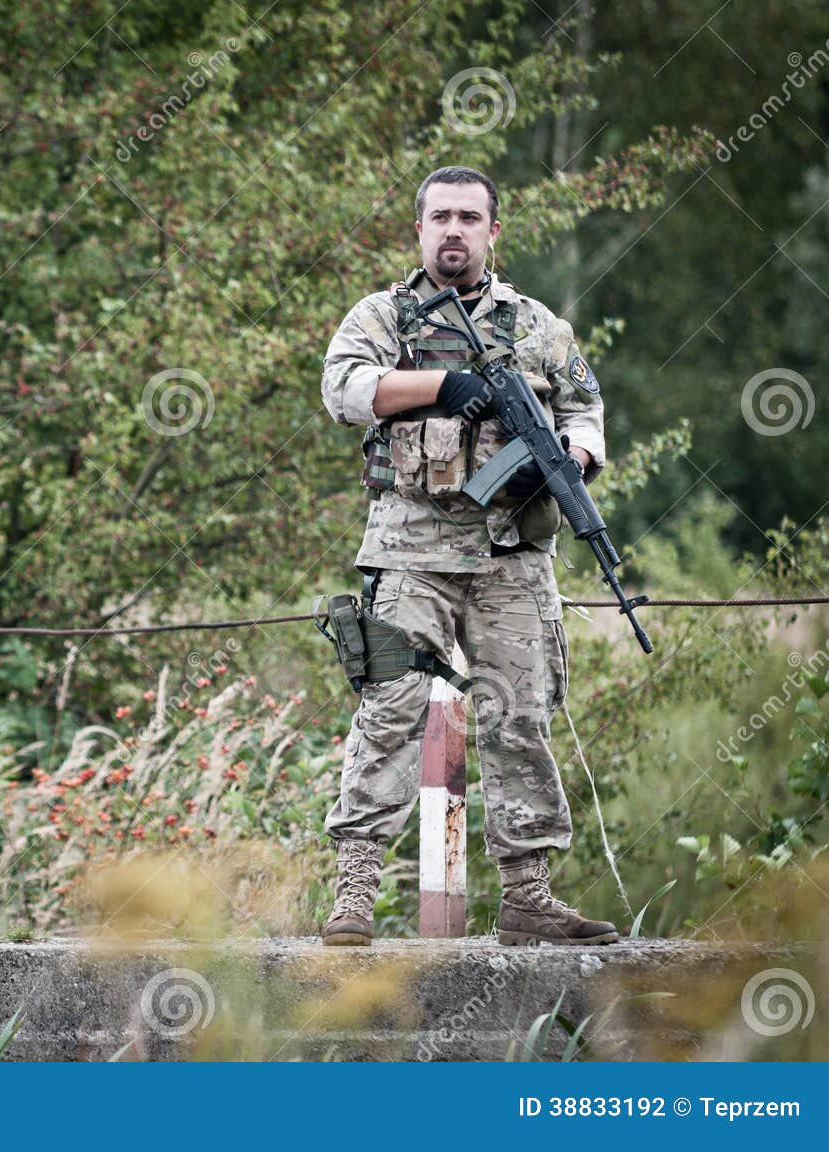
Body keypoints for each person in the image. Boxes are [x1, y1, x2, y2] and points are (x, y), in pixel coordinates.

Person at [317, 164, 619, 947]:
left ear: (493, 231)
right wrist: (439, 386)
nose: (455, 230)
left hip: (511, 550)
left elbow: (585, 408)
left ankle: (528, 897)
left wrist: (570, 459)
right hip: (410, 547)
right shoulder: (384, 315)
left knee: (521, 713)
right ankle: (355, 893)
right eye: (442, 216)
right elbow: (344, 391)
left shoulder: (539, 326)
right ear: (419, 229)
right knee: (390, 708)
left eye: (470, 217)